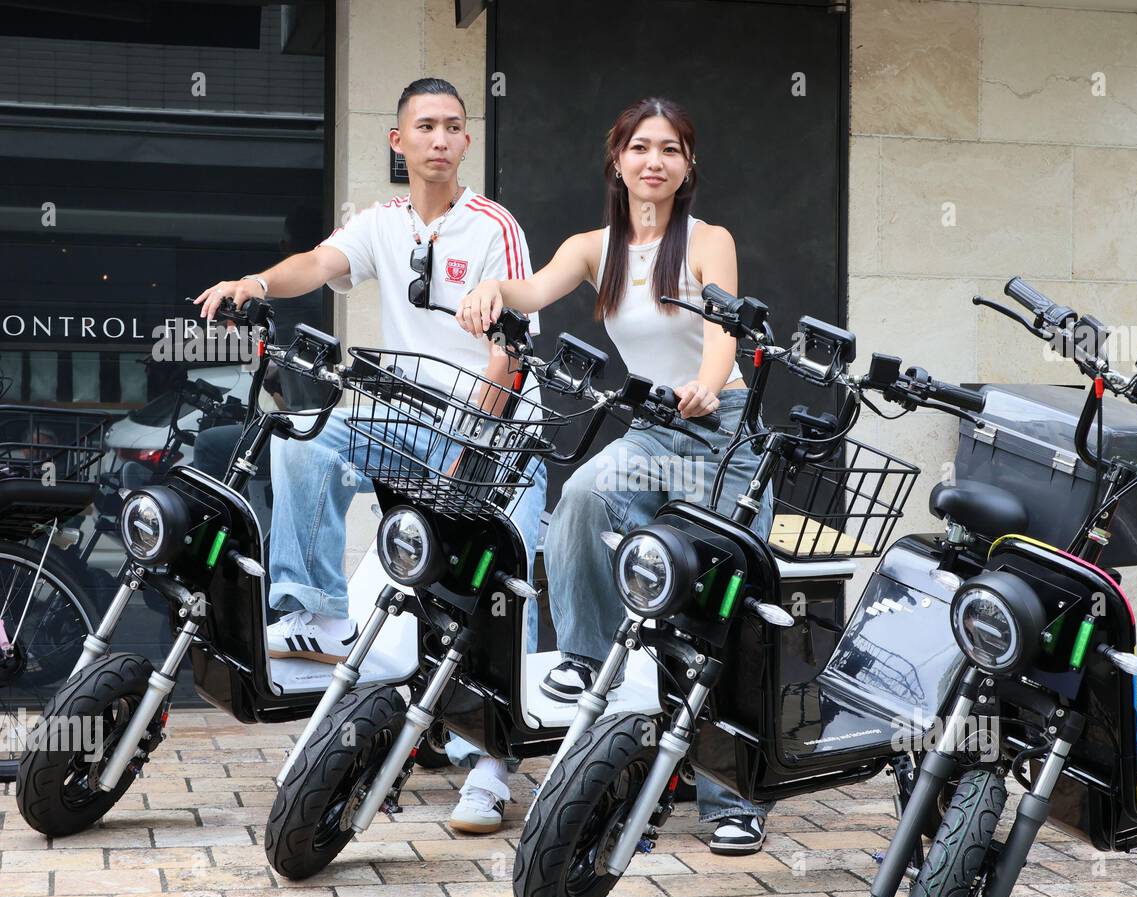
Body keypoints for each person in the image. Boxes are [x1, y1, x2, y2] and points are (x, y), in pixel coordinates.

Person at [194, 77, 541, 835]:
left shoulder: (493, 227)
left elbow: (506, 358)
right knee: (303, 439)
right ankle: (317, 613)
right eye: (426, 126)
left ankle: (492, 767)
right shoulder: (383, 223)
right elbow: (316, 265)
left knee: (499, 592)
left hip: (495, 435)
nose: (441, 139)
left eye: (454, 126)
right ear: (399, 141)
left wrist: (468, 458)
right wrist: (253, 282)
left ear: (466, 142)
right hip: (408, 420)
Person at [456, 97, 776, 855]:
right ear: (618, 160)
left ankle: (728, 796)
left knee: (720, 604)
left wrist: (707, 381)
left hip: (723, 434)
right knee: (584, 499)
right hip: (657, 430)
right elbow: (531, 291)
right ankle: (584, 660)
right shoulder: (592, 248)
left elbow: (727, 331)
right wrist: (492, 292)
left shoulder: (709, 241)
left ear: (687, 165)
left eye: (670, 149)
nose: (654, 161)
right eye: (640, 147)